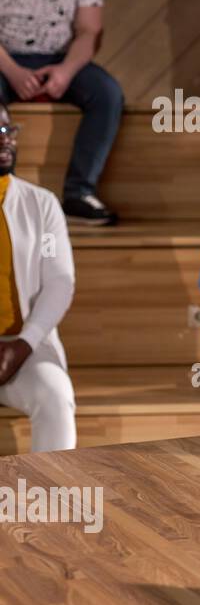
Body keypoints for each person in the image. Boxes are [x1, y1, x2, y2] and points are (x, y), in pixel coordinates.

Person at [0, 0, 121, 226]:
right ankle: (5, 193)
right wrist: (12, 71)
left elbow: (89, 30)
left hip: (61, 58)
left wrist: (66, 71)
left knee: (108, 94)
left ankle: (79, 192)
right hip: (5, 59)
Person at [0, 104, 76, 451]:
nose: (5, 141)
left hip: (26, 347)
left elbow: (59, 281)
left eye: (8, 130)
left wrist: (23, 344)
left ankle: (53, 503)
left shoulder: (41, 205)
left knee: (56, 398)